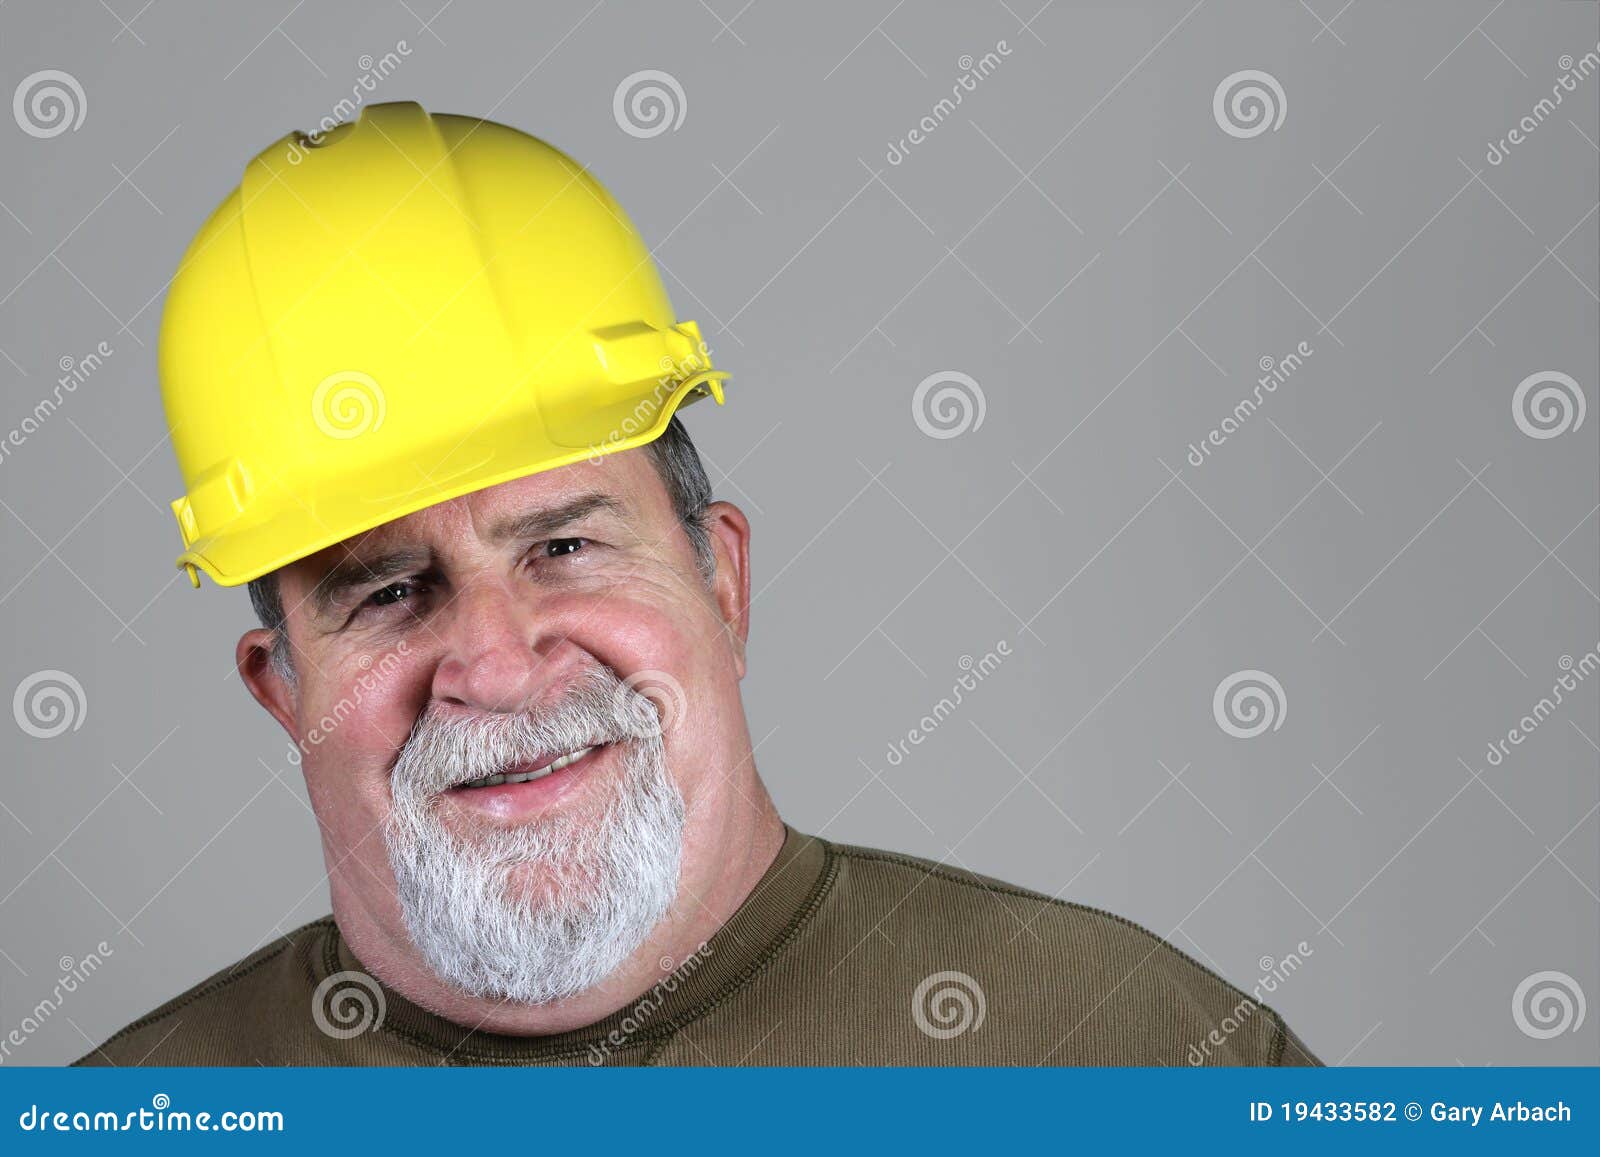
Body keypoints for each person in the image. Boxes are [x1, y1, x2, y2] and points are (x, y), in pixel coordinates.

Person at [76, 103, 1317, 1067]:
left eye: (562, 546)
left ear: (719, 578)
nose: (498, 667)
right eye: (389, 591)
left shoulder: (1126, 1053)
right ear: (280, 688)